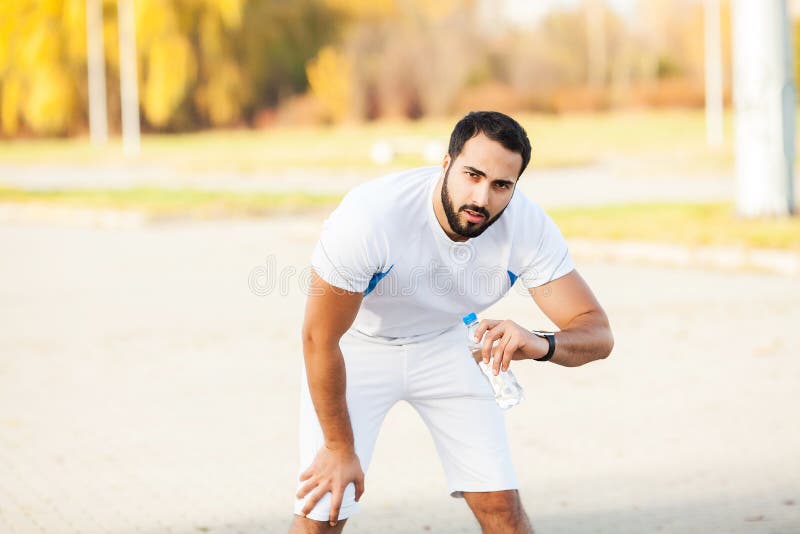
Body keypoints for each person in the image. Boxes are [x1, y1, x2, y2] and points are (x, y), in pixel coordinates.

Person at [290, 111, 614, 534]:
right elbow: (319, 338)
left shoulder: (527, 228)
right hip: (356, 347)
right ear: (445, 164)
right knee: (325, 509)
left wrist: (541, 342)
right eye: (472, 175)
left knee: (502, 508)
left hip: (447, 343)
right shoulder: (372, 217)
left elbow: (596, 331)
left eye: (501, 185)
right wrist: (337, 446)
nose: (482, 198)